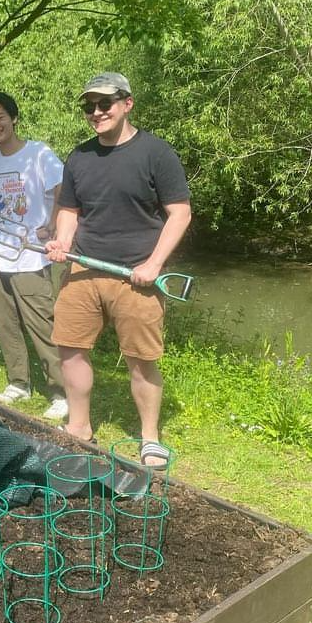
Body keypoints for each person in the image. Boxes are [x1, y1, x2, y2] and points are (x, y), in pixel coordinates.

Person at [46, 72, 192, 464]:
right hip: (84, 269)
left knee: (141, 360)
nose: (96, 112)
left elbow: (179, 213)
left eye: (104, 104)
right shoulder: (79, 156)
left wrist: (153, 264)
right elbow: (71, 210)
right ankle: (79, 426)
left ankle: (149, 438)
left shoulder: (156, 153)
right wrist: (62, 241)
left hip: (137, 277)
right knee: (70, 349)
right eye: (89, 107)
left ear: (127, 104)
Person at [0, 91, 68, 420]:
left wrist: (51, 225)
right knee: (7, 323)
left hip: (31, 257)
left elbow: (63, 188)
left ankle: (60, 391)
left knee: (42, 323)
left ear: (13, 118)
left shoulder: (39, 154)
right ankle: (19, 383)